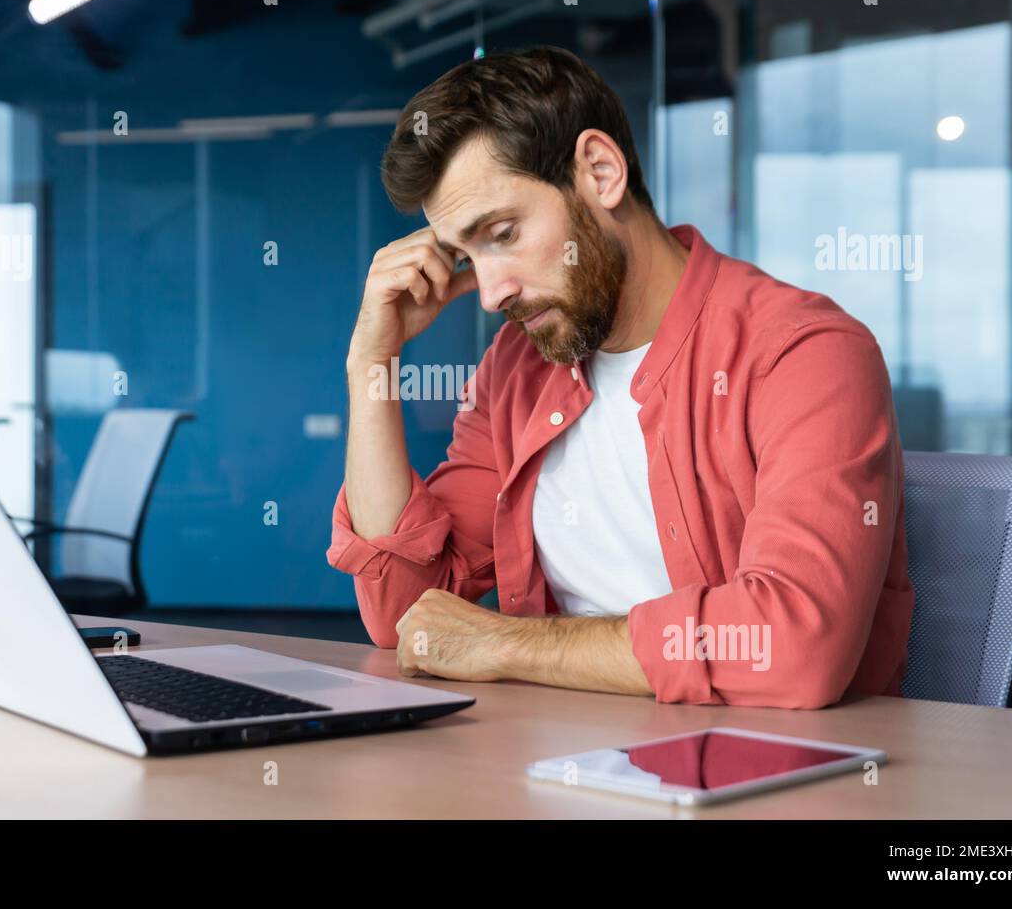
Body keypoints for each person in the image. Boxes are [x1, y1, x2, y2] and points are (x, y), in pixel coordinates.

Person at [327, 46, 913, 709]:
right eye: (465, 255)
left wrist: (506, 644)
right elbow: (403, 612)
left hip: (769, 773)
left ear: (601, 171)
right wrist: (371, 366)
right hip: (557, 759)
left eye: (503, 233)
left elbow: (792, 647)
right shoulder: (516, 370)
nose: (489, 293)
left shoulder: (805, 354)